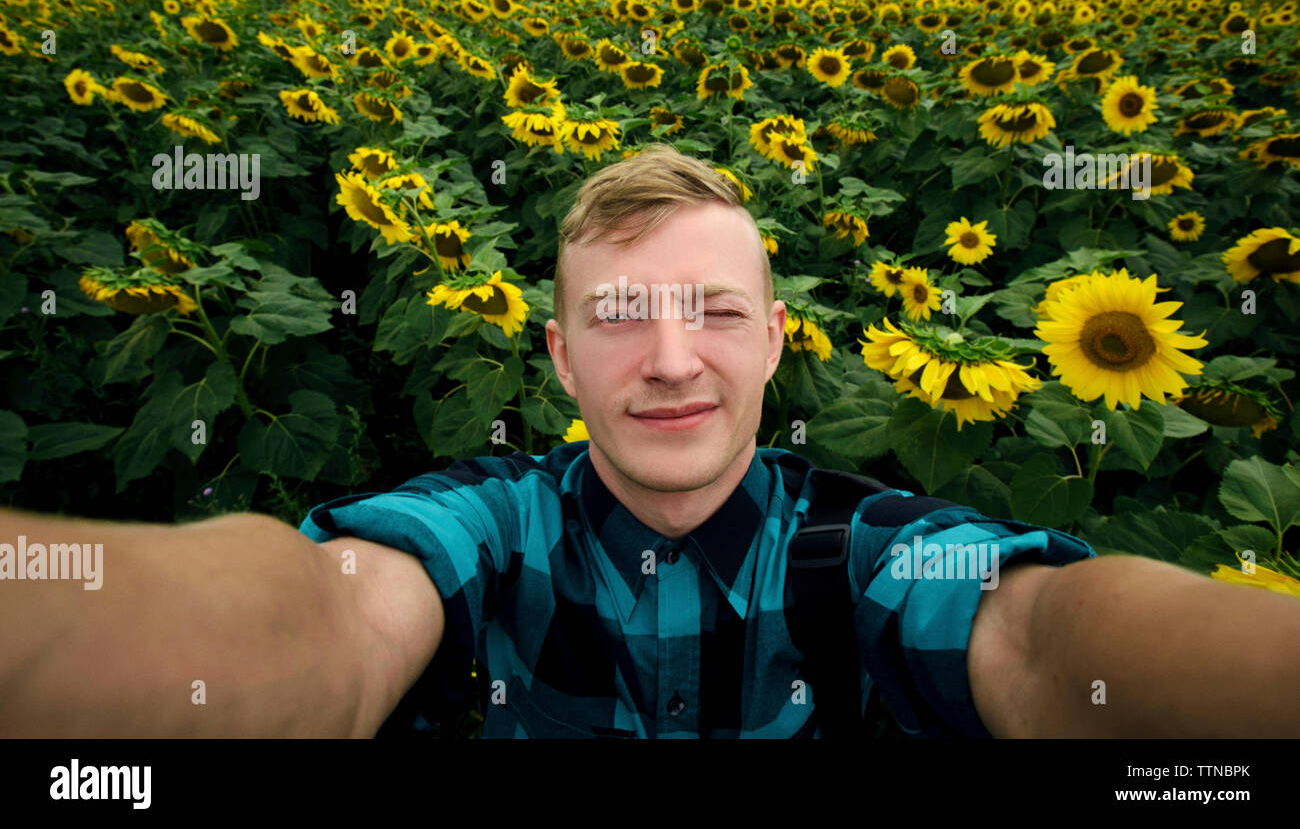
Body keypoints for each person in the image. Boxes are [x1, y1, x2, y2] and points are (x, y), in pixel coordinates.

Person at [2, 143, 1298, 738]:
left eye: (716, 312)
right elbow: (328, 620)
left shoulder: (865, 554)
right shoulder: (494, 528)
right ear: (557, 357)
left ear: (781, 339)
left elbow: (1040, 633)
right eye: (619, 316)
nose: (673, 358)